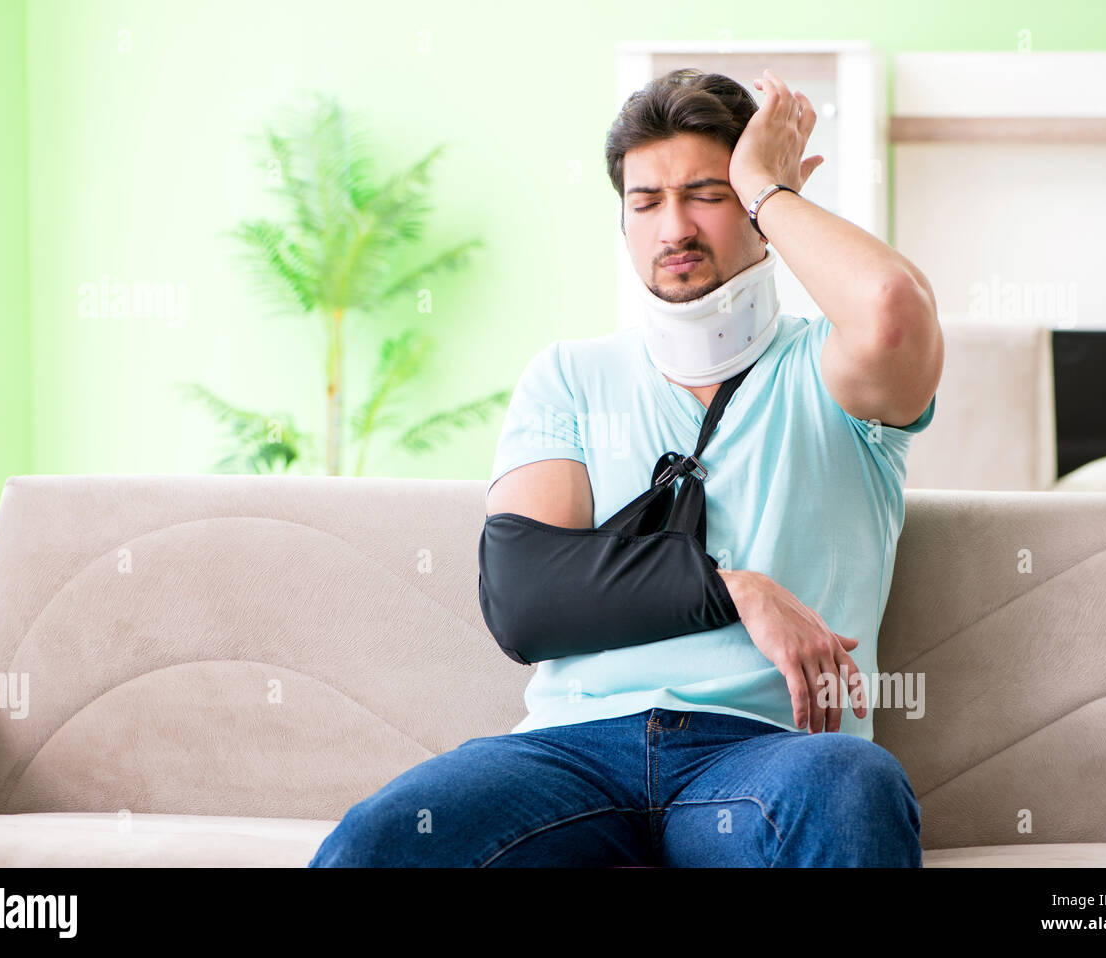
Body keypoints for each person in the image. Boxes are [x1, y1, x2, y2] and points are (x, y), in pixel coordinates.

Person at [309, 67, 943, 868]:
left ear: (760, 210)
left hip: (766, 758)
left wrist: (764, 185)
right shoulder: (570, 376)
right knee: (376, 843)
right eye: (645, 203)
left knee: (855, 785)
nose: (673, 226)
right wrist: (732, 588)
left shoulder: (832, 374)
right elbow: (525, 597)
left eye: (708, 194)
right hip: (569, 755)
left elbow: (892, 307)